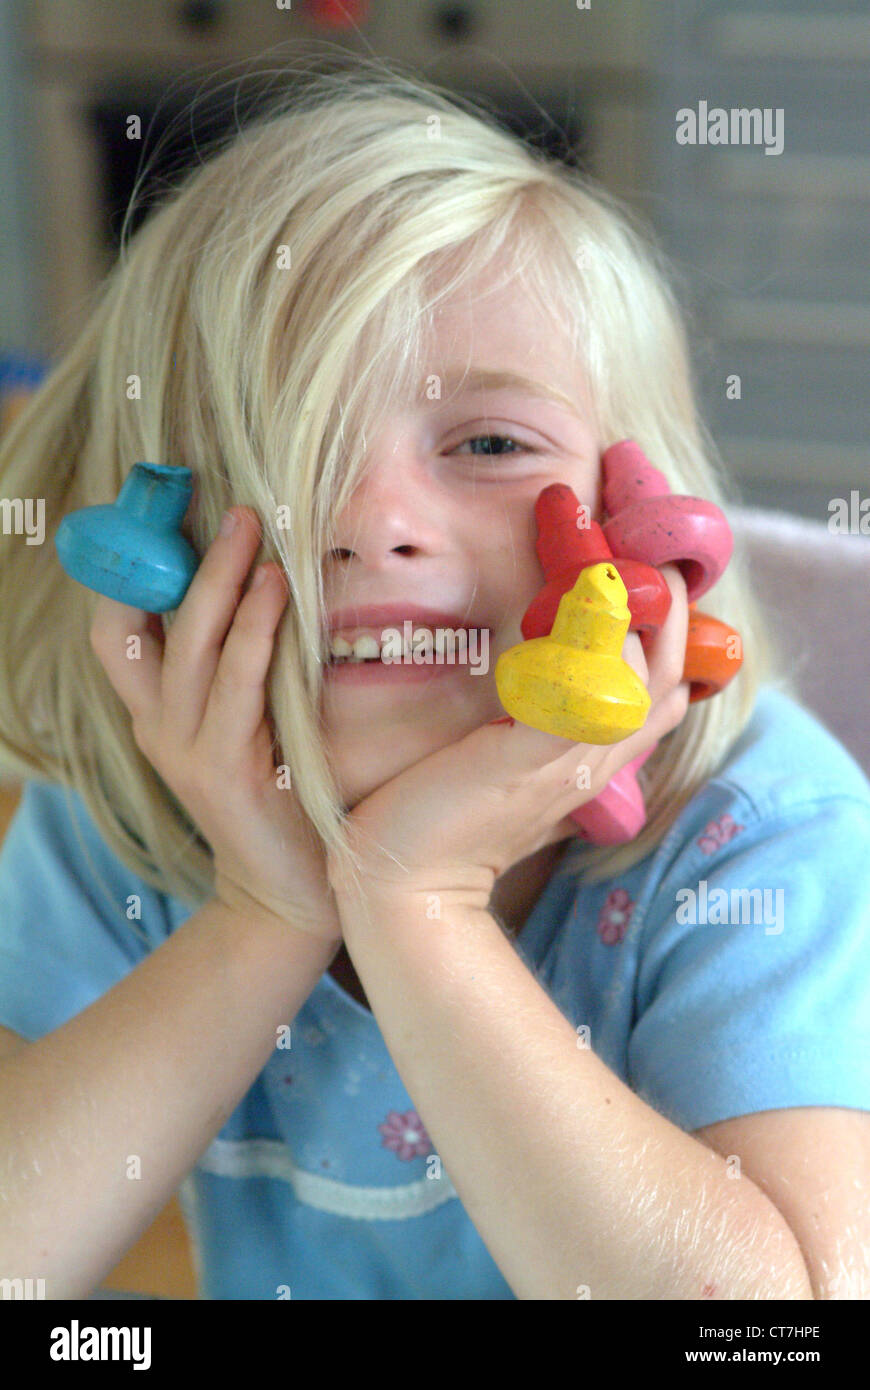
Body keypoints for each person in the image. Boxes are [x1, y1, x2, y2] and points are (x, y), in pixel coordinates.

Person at [0, 60, 867, 1302]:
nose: (372, 524)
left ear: (645, 515)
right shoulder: (123, 815)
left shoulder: (757, 835)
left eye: (491, 445)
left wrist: (418, 903)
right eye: (280, 445)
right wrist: (268, 909)